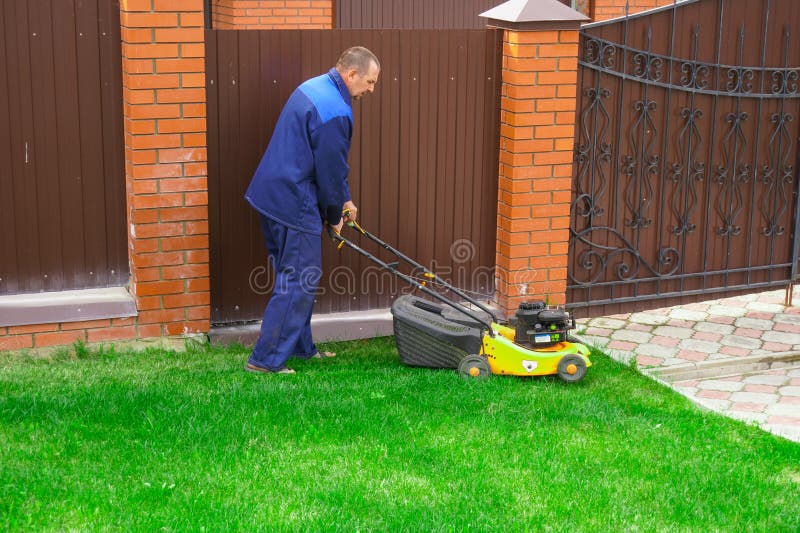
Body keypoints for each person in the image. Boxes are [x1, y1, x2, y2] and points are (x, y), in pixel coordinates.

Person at [243, 46, 381, 374]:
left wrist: (344, 201)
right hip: (294, 200)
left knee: (294, 274)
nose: (371, 90)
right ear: (351, 74)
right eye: (370, 82)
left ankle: (301, 348)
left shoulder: (313, 87)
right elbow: (330, 171)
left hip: (272, 194)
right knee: (300, 279)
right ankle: (266, 359)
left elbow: (326, 161)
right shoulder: (336, 111)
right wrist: (335, 216)